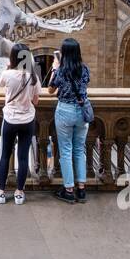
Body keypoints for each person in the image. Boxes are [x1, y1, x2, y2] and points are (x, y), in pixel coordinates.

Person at [0, 43, 40, 205]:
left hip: (10, 119)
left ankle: (0, 192)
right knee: (23, 156)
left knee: (5, 154)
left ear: (12, 58)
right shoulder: (33, 77)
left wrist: (8, 68)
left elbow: (0, 85)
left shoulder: (7, 74)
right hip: (27, 120)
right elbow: (36, 101)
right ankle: (19, 193)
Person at [48, 37, 91, 203]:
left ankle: (68, 189)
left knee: (66, 151)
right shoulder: (84, 69)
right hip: (82, 111)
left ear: (64, 53)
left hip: (65, 110)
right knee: (79, 149)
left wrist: (54, 68)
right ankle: (81, 189)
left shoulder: (61, 71)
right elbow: (84, 84)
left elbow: (50, 90)